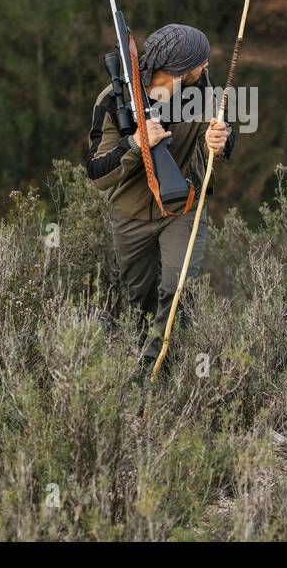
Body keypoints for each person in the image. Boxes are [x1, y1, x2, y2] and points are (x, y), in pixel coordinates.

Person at [85, 24, 234, 373]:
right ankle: (139, 362)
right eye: (201, 61)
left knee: (176, 287)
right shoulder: (115, 99)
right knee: (140, 296)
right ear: (181, 69)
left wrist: (220, 142)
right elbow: (97, 173)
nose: (207, 66)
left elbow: (224, 136)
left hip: (183, 207)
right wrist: (135, 144)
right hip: (131, 214)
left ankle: (163, 370)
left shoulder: (203, 91)